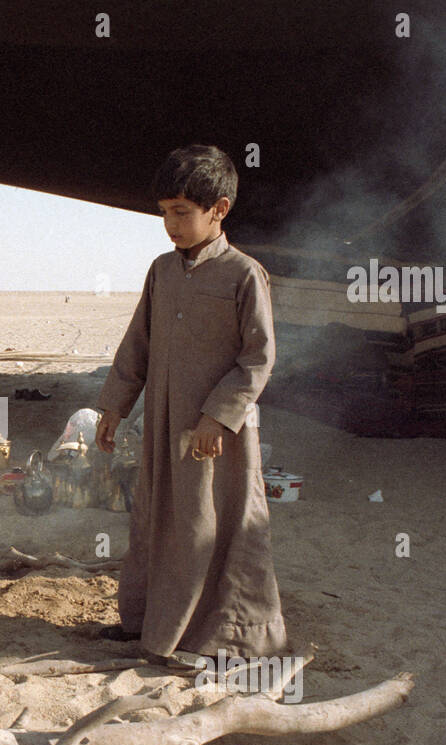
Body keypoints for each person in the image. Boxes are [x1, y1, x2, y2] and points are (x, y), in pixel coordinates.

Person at [94, 145, 288, 663]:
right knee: (158, 520)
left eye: (181, 212)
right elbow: (137, 344)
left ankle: (229, 636)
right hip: (163, 426)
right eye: (164, 213)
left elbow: (258, 358)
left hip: (216, 437)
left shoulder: (245, 275)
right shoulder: (161, 271)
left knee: (213, 526)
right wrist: (114, 407)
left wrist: (217, 417)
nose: (169, 225)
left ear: (218, 210)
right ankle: (148, 626)